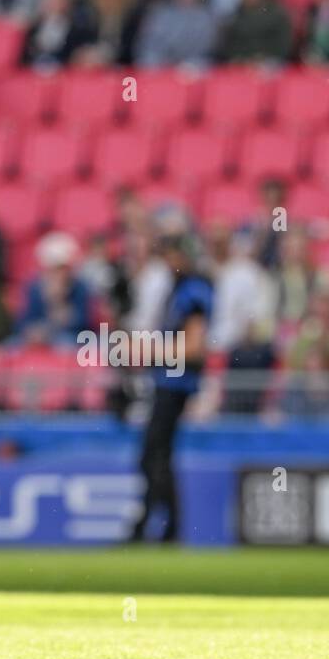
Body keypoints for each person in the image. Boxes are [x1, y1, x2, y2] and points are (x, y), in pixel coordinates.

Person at [127, 233, 212, 543]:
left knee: (155, 454)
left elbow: (194, 347)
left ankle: (160, 526)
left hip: (176, 382)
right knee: (157, 454)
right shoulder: (180, 289)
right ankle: (165, 527)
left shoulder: (193, 291)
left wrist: (147, 351)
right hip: (167, 380)